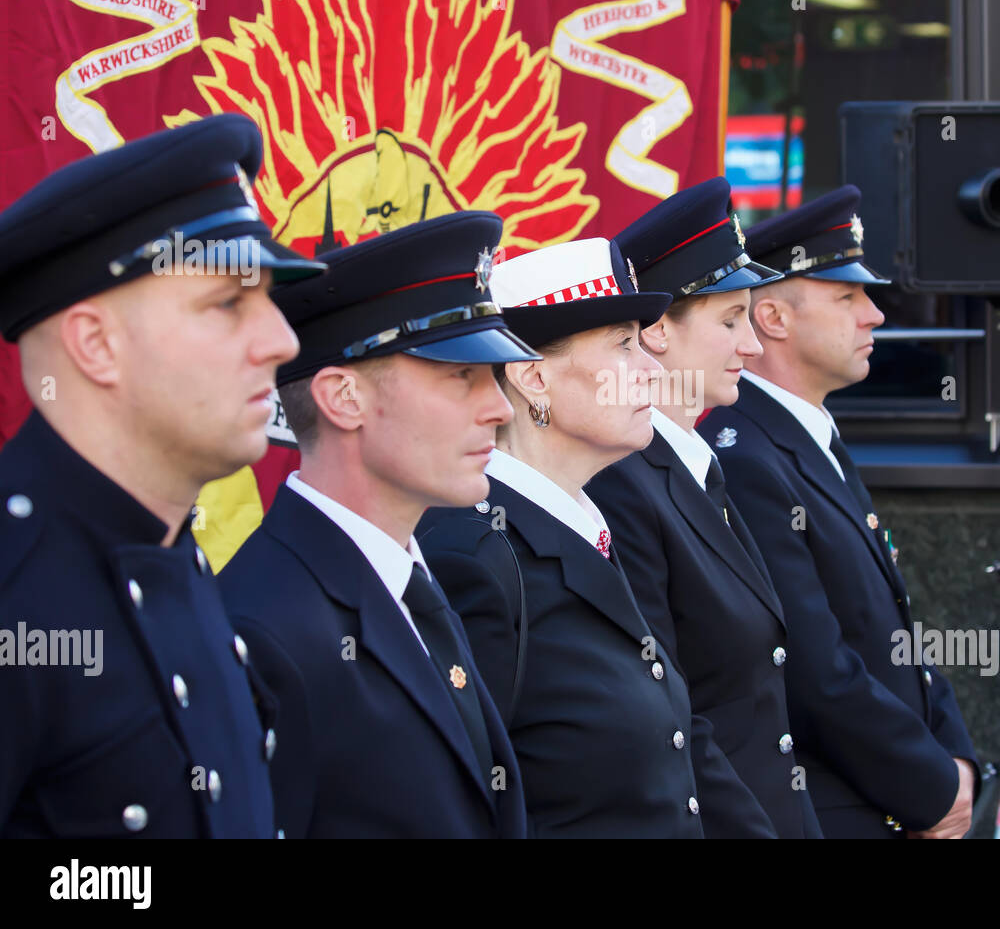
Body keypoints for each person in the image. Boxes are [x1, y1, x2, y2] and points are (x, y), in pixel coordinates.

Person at [0, 115, 324, 837]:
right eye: (227, 303)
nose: (282, 339)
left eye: (269, 300)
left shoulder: (177, 552)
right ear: (96, 345)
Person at [218, 214, 537, 837]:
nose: (500, 408)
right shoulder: (264, 630)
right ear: (345, 398)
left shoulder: (405, 581)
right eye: (462, 375)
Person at [697, 186, 981, 839]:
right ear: (772, 317)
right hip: (837, 813)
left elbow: (897, 626)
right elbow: (814, 670)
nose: (875, 315)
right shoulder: (745, 458)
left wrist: (957, 760)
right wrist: (934, 787)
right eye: (847, 297)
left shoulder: (809, 437)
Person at [418, 239, 706, 837]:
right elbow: (464, 805)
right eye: (623, 345)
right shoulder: (474, 554)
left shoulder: (586, 525)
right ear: (532, 379)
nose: (653, 367)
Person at [587, 178, 822, 838]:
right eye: (729, 320)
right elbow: (672, 720)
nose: (751, 346)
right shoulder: (621, 486)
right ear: (657, 330)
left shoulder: (695, 469)